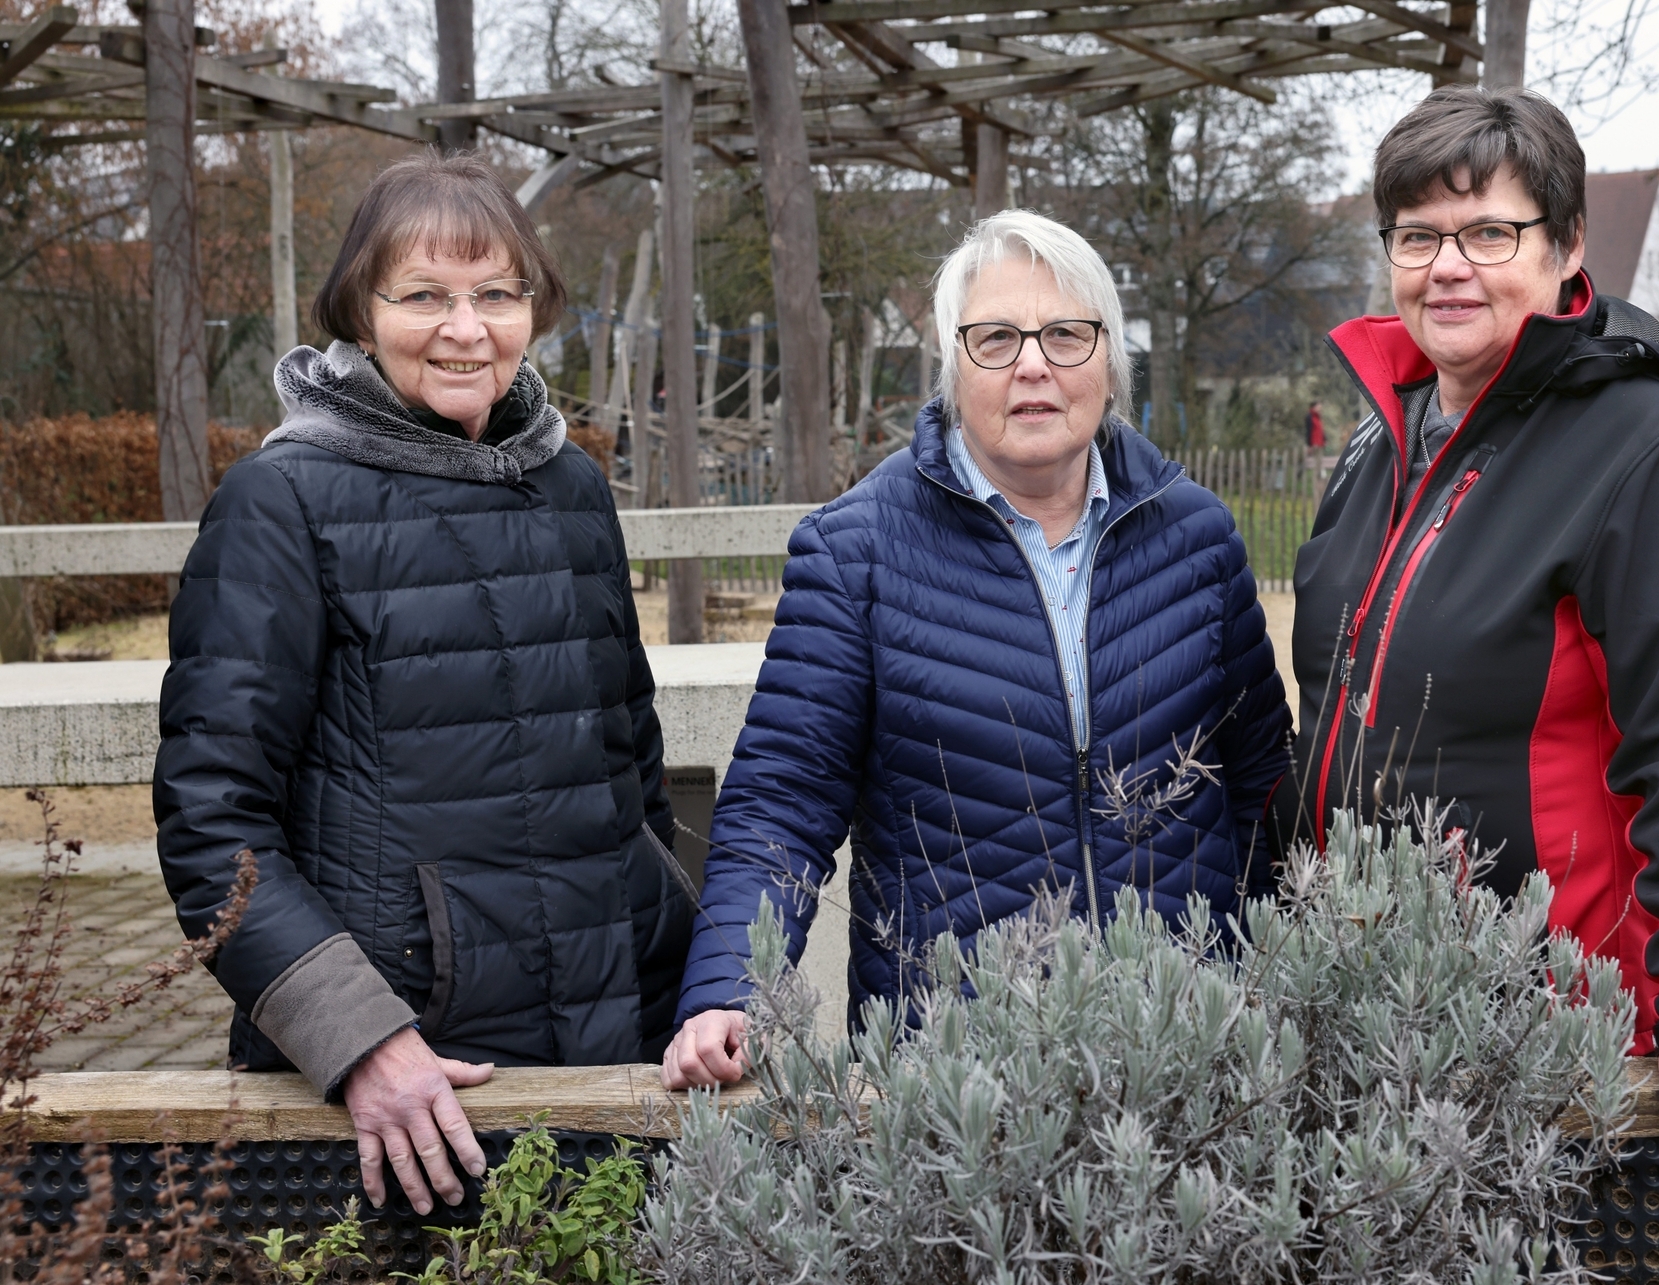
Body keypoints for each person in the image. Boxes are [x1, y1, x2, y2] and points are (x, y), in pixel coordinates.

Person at [155, 152, 691, 1215]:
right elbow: (212, 819)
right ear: (360, 311)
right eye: (424, 296)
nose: (466, 327)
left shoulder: (570, 485)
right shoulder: (281, 501)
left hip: (608, 1027)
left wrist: (679, 953)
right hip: (410, 1072)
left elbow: (629, 762)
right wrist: (357, 1040)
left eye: (497, 294)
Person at [1273, 86, 1659, 1149]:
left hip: (1549, 1027)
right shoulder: (1388, 433)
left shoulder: (1645, 440)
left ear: (1565, 247)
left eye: (1488, 231)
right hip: (1369, 1006)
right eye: (1416, 235)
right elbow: (1334, 706)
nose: (1446, 265)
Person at [665, 210, 1292, 1088]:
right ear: (954, 369)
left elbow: (1264, 787)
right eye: (996, 337)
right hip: (954, 1071)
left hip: (1185, 1052)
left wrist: (1283, 983)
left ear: (1110, 363)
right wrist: (731, 987)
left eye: (1066, 335)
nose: (1032, 363)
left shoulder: (1196, 537)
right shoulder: (856, 552)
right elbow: (781, 802)